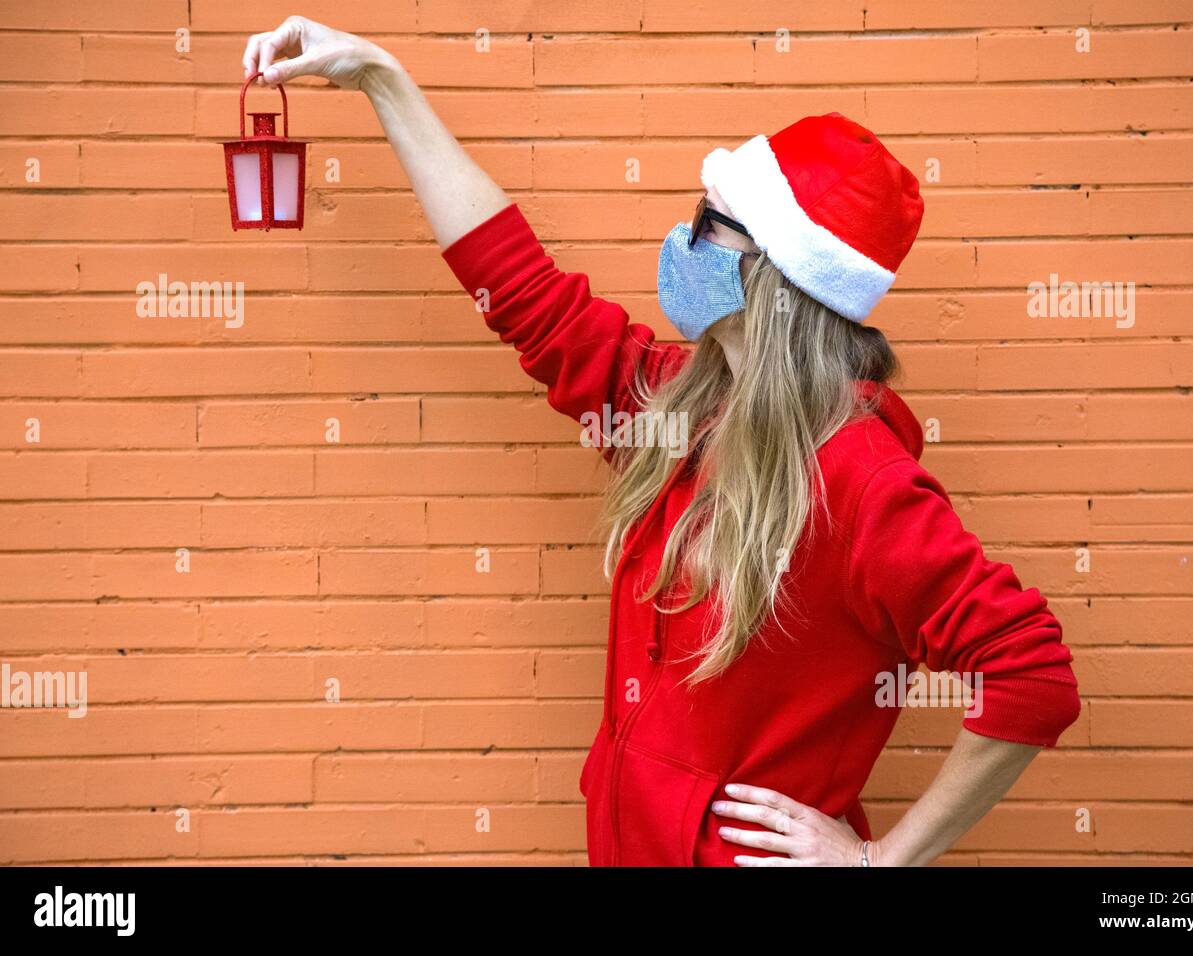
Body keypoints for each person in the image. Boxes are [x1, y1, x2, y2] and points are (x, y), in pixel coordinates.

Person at [242, 17, 1082, 867]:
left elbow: (1032, 675)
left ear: (777, 280)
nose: (685, 241)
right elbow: (521, 287)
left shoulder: (861, 481)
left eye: (712, 223)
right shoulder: (681, 407)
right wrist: (382, 78)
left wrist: (881, 859)